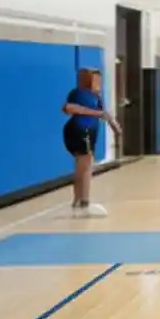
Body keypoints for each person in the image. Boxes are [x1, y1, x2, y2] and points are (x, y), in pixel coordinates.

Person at [62, 69, 120, 218]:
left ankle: (77, 200)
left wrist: (114, 126)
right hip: (80, 131)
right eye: (96, 80)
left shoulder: (96, 97)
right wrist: (97, 114)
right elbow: (69, 108)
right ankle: (84, 203)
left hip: (89, 132)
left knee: (83, 165)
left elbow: (104, 113)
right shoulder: (79, 93)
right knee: (86, 165)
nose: (99, 83)